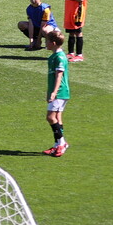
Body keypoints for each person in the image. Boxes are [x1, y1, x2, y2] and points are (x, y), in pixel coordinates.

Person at [43, 28, 70, 156]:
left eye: (46, 41)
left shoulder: (60, 58)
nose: (45, 43)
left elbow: (59, 76)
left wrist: (54, 92)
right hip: (58, 92)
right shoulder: (54, 56)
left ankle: (62, 143)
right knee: (57, 118)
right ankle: (57, 144)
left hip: (59, 92)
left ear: (53, 43)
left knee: (50, 117)